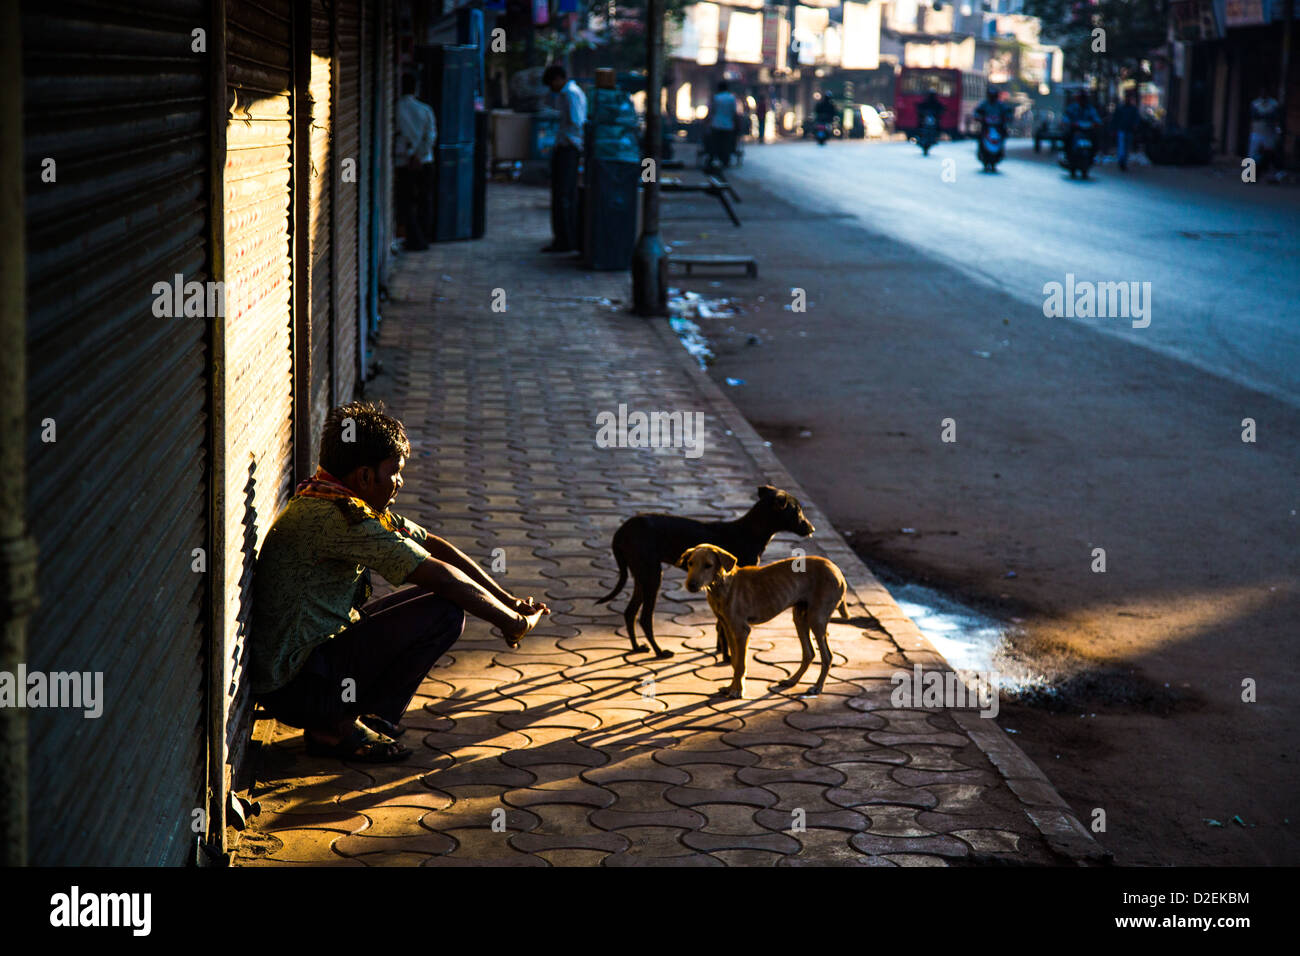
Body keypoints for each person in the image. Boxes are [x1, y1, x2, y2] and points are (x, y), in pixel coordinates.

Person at [251, 401, 549, 762]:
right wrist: (513, 623)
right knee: (444, 611)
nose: (400, 481)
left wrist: (508, 600)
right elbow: (441, 575)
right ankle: (335, 727)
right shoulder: (342, 519)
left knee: (437, 598)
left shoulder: (327, 494)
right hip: (299, 688)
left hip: (306, 670)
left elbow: (432, 545)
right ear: (364, 476)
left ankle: (344, 719)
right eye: (394, 472)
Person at [542, 64, 587, 253]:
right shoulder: (568, 94)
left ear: (558, 79)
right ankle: (563, 238)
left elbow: (577, 123)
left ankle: (565, 239)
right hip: (566, 147)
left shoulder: (570, 94)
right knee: (563, 194)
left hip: (569, 148)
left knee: (564, 195)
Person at [395, 74, 437, 251]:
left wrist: (410, 155)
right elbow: (430, 135)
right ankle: (424, 237)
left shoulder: (396, 109)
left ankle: (414, 238)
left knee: (406, 201)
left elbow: (397, 134)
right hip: (424, 162)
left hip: (403, 162)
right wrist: (419, 156)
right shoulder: (425, 109)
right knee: (424, 200)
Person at [707, 80, 738, 168]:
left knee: (715, 143)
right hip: (728, 125)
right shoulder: (731, 98)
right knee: (726, 144)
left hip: (716, 124)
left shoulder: (716, 98)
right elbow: (734, 113)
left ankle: (713, 159)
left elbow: (711, 111)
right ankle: (725, 160)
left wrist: (706, 123)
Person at [1248, 86, 1280, 168]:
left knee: (1270, 153)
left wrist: (1264, 115)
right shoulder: (1255, 103)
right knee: (1253, 153)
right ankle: (1250, 173)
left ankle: (1270, 173)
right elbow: (1255, 116)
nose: (1263, 94)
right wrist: (1266, 115)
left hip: (1269, 133)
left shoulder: (1274, 103)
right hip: (1256, 131)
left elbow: (1274, 116)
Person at [1113, 89, 1140, 171]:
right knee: (1122, 146)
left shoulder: (1133, 109)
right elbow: (1115, 119)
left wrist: (1135, 126)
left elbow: (1136, 119)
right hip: (1122, 130)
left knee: (1126, 147)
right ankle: (1121, 161)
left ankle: (1123, 161)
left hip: (1129, 130)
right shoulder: (1121, 108)